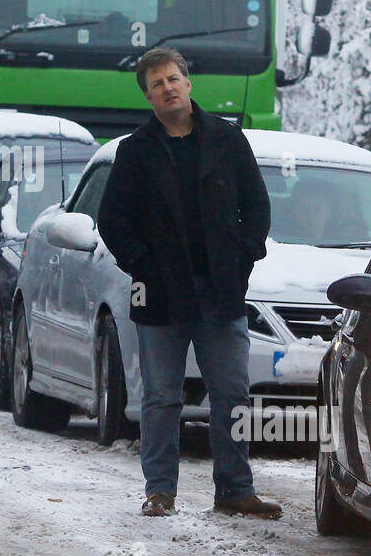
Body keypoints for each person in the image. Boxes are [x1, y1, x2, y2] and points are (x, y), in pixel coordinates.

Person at [97, 47, 281, 519]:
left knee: (232, 393)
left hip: (221, 290)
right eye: (157, 84)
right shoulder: (135, 151)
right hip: (159, 293)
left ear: (188, 83)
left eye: (174, 79)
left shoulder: (226, 139)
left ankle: (236, 490)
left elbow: (256, 207)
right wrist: (143, 265)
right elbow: (113, 220)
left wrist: (243, 259)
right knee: (161, 397)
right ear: (148, 96)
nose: (168, 88)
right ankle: (160, 490)